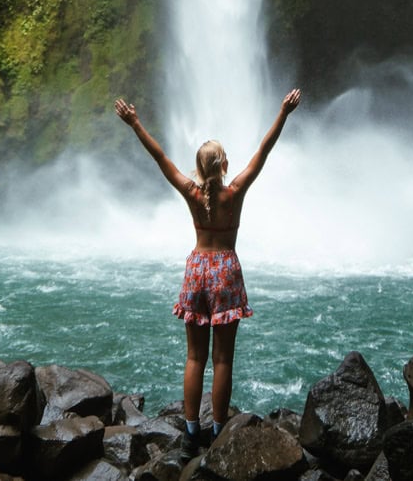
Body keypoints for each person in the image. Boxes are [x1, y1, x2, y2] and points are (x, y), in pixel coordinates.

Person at [114, 89, 301, 457]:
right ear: (225, 164)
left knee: (194, 357)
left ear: (199, 169)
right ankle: (217, 433)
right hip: (226, 270)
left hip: (197, 269)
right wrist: (283, 112)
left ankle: (189, 435)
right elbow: (264, 151)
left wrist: (134, 123)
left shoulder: (190, 192)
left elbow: (160, 157)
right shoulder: (235, 192)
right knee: (223, 359)